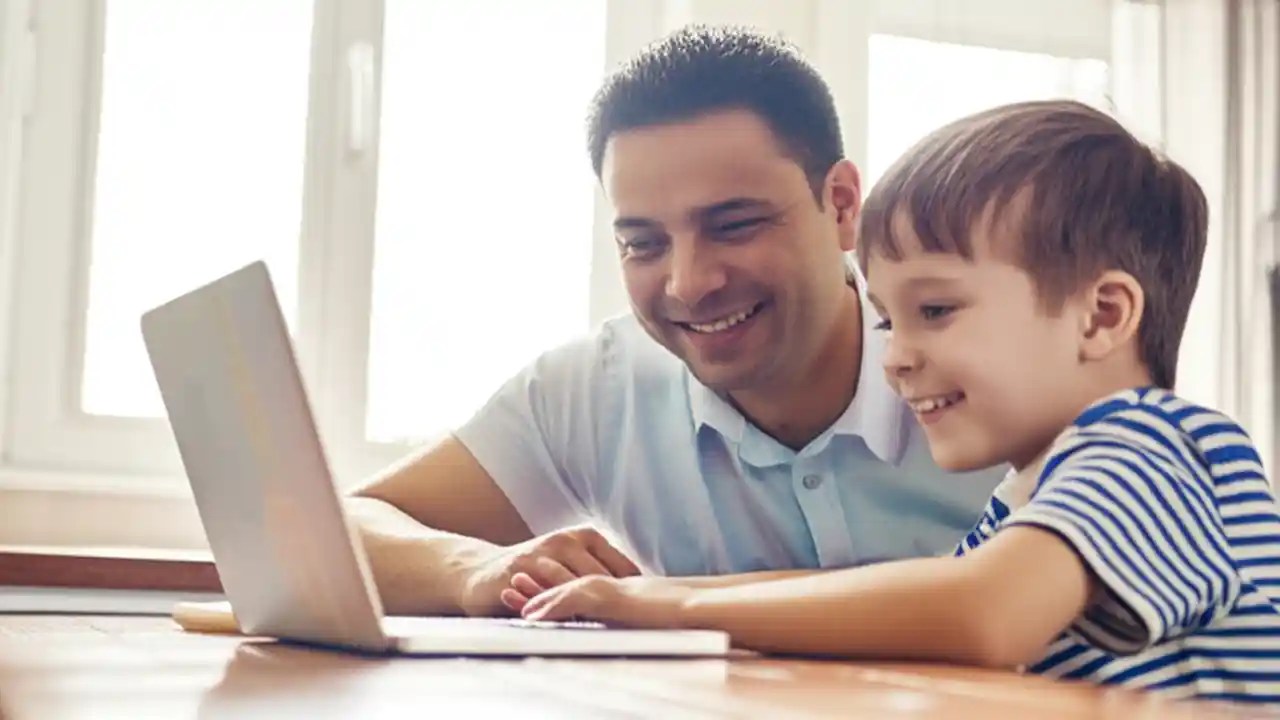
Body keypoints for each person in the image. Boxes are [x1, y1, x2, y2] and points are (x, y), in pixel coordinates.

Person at [510, 100, 1280, 703]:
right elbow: (850, 592)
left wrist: (673, 614)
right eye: (888, 319)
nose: (897, 356)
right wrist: (645, 595)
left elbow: (982, 614)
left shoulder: (1154, 448)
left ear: (1103, 316)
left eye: (936, 311)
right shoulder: (1034, 498)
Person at [347, 25, 1002, 618]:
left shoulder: (1005, 368)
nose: (688, 284)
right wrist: (474, 567)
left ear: (840, 205)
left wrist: (648, 601)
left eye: (735, 225)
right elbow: (323, 526)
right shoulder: (600, 388)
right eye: (642, 243)